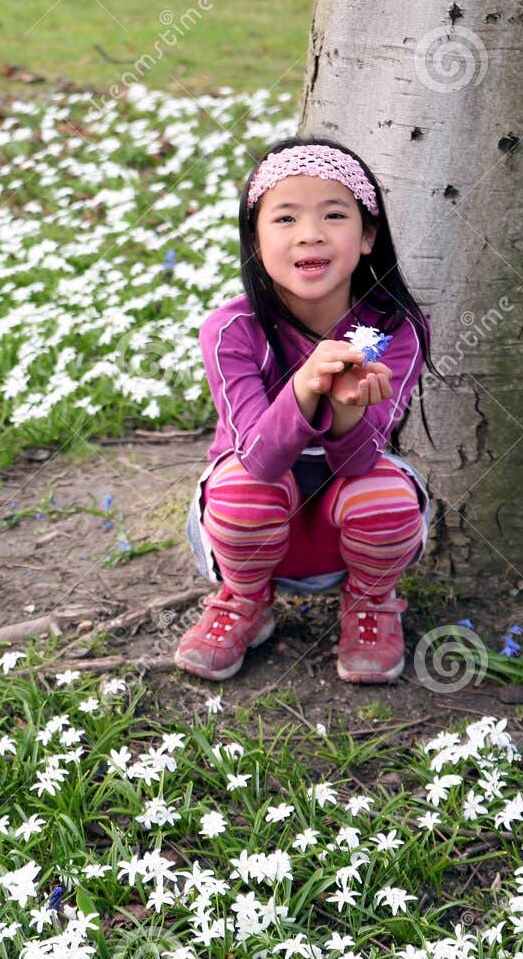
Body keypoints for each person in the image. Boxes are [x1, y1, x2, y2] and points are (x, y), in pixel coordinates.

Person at [176, 138, 436, 684]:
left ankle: (370, 603)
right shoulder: (231, 331)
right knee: (241, 488)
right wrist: (305, 386)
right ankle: (246, 599)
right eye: (286, 217)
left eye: (334, 215)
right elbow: (260, 461)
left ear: (367, 237)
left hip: (349, 529)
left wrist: (345, 409)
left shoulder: (391, 332)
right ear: (256, 239)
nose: (310, 233)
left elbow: (363, 460)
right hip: (253, 528)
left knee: (386, 493)